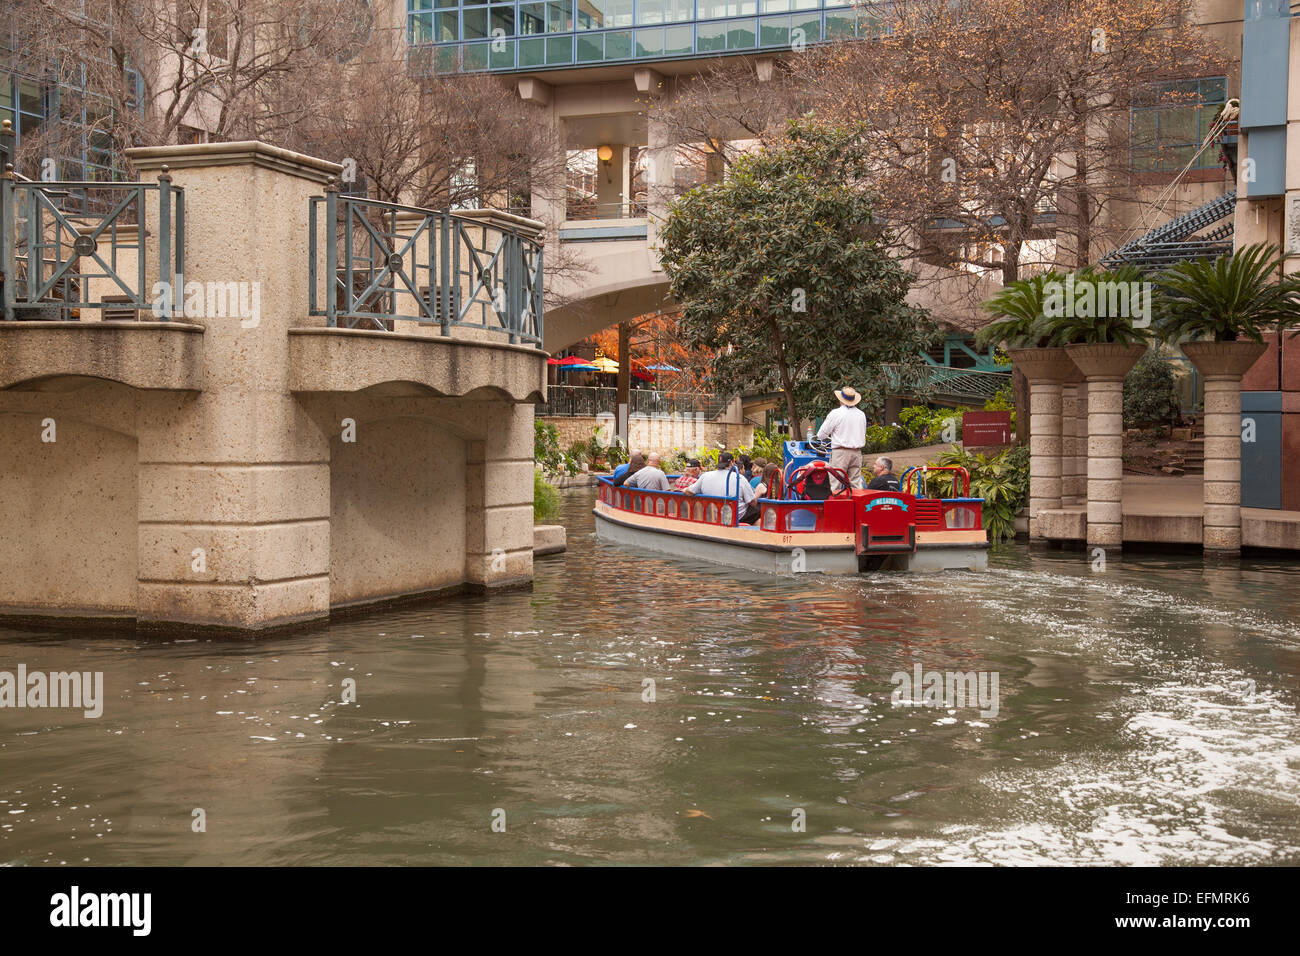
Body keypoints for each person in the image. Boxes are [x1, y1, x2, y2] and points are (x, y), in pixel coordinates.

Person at [816, 386, 868, 492]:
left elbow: (821, 434)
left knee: (835, 482)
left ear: (840, 400)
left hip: (840, 453)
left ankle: (835, 506)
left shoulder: (836, 413)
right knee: (856, 483)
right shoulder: (861, 414)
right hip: (857, 452)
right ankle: (856, 506)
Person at [685, 451, 758, 523]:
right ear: (732, 463)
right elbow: (753, 502)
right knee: (758, 510)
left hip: (711, 516)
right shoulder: (739, 478)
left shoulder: (705, 476)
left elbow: (689, 491)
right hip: (733, 518)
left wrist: (684, 489)